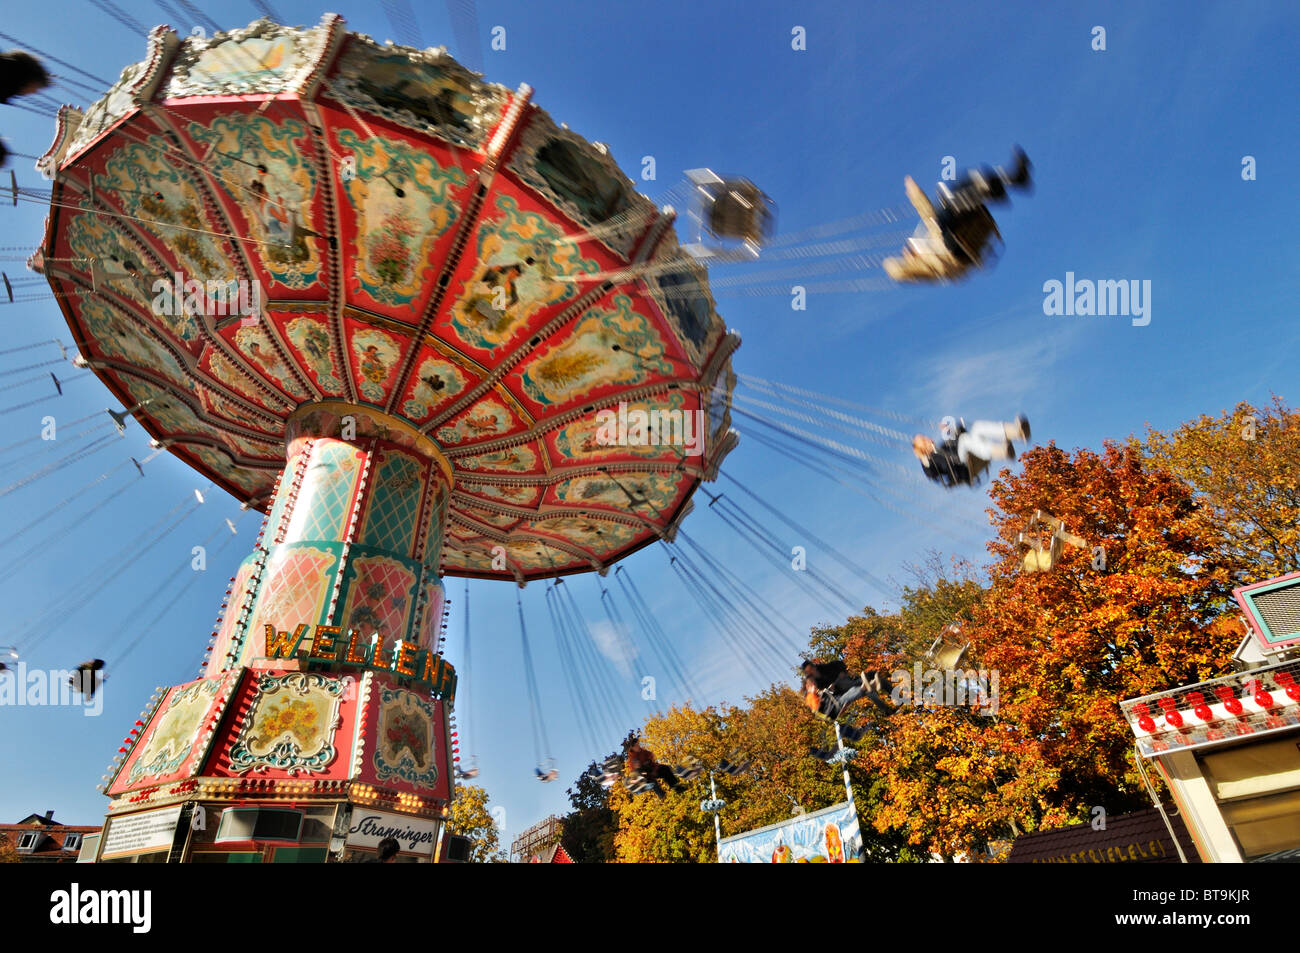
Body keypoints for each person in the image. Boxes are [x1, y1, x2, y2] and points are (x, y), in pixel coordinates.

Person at [884, 147, 1032, 283]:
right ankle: (993, 187)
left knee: (958, 190)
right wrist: (915, 194)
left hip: (961, 243)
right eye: (910, 251)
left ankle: (1011, 179)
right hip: (954, 249)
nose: (907, 251)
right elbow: (930, 220)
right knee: (943, 212)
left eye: (909, 250)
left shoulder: (935, 260)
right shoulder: (930, 263)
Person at [914, 414, 1030, 488]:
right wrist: (923, 458)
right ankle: (1002, 452)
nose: (928, 439)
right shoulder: (931, 461)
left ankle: (1018, 432)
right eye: (924, 441)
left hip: (973, 454)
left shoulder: (944, 446)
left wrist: (952, 430)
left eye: (925, 437)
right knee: (965, 440)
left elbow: (963, 433)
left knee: (978, 427)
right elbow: (930, 473)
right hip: (963, 468)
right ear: (922, 450)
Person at [0, 51, 52, 168]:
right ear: (30, 80)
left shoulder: (6, 85)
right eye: (36, 89)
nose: (33, 92)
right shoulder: (5, 77)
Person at [801, 659, 890, 721]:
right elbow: (818, 706)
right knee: (851, 686)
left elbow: (838, 664)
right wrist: (828, 690)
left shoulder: (824, 668)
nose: (813, 671)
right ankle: (866, 683)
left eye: (813, 669)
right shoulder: (813, 691)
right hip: (838, 697)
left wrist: (842, 672)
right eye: (810, 671)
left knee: (873, 686)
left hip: (847, 686)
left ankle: (889, 704)